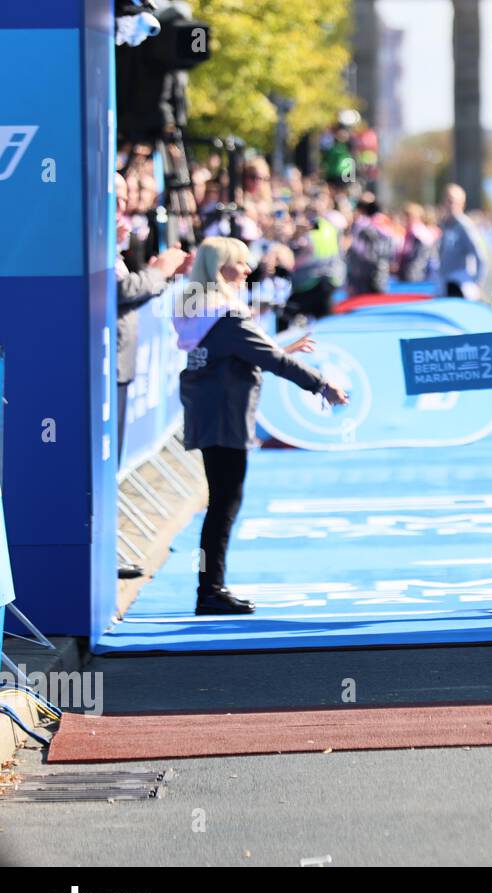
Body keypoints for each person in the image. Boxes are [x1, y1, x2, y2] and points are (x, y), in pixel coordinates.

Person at [175, 237, 349, 615]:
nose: (248, 270)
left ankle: (210, 587)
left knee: (220, 501)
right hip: (225, 415)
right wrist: (321, 384)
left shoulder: (199, 311)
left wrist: (279, 354)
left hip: (208, 413)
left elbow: (240, 356)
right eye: (240, 263)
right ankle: (210, 589)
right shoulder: (227, 315)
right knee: (224, 503)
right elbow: (269, 359)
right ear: (221, 269)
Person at [114, 172, 194, 579]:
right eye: (116, 199)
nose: (123, 209)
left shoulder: (114, 243)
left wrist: (159, 274)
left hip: (122, 366)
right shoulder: (96, 245)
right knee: (104, 464)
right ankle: (99, 555)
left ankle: (106, 551)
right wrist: (160, 270)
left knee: (111, 464)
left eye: (126, 198)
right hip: (107, 367)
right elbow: (121, 291)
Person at [437, 183, 488, 299]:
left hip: (461, 286)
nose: (450, 205)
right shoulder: (444, 225)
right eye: (448, 200)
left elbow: (481, 256)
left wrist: (477, 282)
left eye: (454, 201)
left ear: (462, 204)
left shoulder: (465, 227)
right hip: (445, 284)